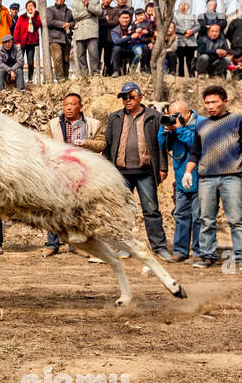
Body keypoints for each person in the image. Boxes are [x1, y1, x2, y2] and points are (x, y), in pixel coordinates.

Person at [184, 85, 242, 270]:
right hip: (206, 178)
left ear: (225, 101)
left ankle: (241, 257)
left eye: (214, 102)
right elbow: (195, 152)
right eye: (207, 103)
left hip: (231, 176)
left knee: (236, 219)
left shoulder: (238, 120)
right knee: (205, 219)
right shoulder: (202, 125)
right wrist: (187, 172)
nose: (210, 106)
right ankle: (207, 255)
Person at [103, 81, 170, 259]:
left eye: (131, 97)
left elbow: (161, 144)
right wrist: (107, 169)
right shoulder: (115, 117)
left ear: (140, 97)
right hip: (121, 172)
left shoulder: (154, 117)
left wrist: (163, 167)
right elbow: (108, 145)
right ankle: (124, 246)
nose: (127, 100)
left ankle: (159, 247)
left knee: (151, 210)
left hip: (145, 171)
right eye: (124, 97)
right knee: (122, 211)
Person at [43, 92, 106, 257]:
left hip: (83, 173)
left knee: (79, 209)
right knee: (54, 208)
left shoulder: (93, 124)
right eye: (65, 105)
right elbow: (44, 146)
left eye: (72, 104)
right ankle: (52, 244)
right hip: (59, 172)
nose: (68, 108)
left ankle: (77, 245)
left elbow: (102, 145)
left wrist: (85, 142)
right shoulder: (53, 124)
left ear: (80, 106)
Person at [158, 100, 206, 262]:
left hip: (200, 177)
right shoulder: (172, 124)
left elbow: (196, 144)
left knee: (199, 216)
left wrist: (179, 129)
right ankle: (180, 251)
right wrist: (164, 130)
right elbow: (161, 145)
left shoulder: (202, 123)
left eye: (177, 115)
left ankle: (199, 252)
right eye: (172, 115)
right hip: (180, 178)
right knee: (181, 215)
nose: (174, 118)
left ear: (188, 112)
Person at [69, 0, 98, 76]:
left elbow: (98, 12)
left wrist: (89, 5)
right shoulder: (75, 3)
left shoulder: (95, 0)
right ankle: (84, 74)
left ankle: (95, 72)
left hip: (91, 31)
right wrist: (89, 13)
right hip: (79, 32)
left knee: (93, 53)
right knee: (80, 54)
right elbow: (75, 16)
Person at [46, 0, 73, 79]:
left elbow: (74, 22)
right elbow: (50, 21)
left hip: (67, 38)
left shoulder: (69, 11)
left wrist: (70, 25)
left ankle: (66, 78)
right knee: (57, 59)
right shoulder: (50, 9)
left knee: (66, 59)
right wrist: (62, 24)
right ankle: (60, 78)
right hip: (55, 38)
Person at [13, 0, 42, 80]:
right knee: (20, 61)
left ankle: (30, 79)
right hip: (22, 42)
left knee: (30, 62)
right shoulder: (22, 17)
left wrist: (33, 17)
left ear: (34, 7)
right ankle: (20, 78)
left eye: (32, 6)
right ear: (26, 8)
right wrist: (17, 42)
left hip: (31, 42)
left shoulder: (37, 15)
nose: (30, 7)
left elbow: (38, 25)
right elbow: (17, 29)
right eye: (28, 6)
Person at [171, 1, 199, 76]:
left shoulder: (193, 16)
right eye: (182, 5)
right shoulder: (175, 16)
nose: (184, 7)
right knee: (180, 60)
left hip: (191, 42)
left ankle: (192, 75)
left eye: (186, 5)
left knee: (191, 60)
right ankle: (181, 76)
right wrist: (184, 31)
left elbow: (198, 26)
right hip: (180, 41)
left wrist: (192, 31)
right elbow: (174, 26)